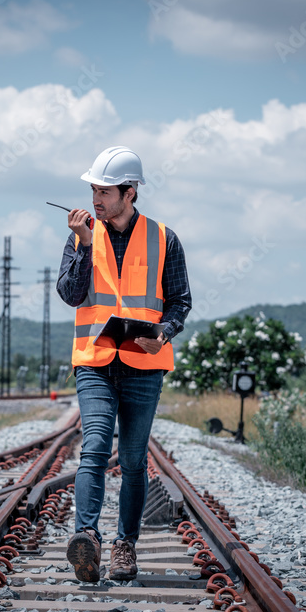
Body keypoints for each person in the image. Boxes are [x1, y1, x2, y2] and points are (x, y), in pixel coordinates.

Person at [57, 146, 192, 582]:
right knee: (95, 447)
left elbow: (180, 302)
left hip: (143, 364)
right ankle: (87, 539)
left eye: (105, 191)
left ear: (129, 193)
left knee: (134, 459)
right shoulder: (82, 235)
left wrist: (164, 334)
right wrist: (82, 244)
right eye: (93, 189)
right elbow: (71, 294)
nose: (96, 199)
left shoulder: (164, 238)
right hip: (94, 361)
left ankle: (124, 547)